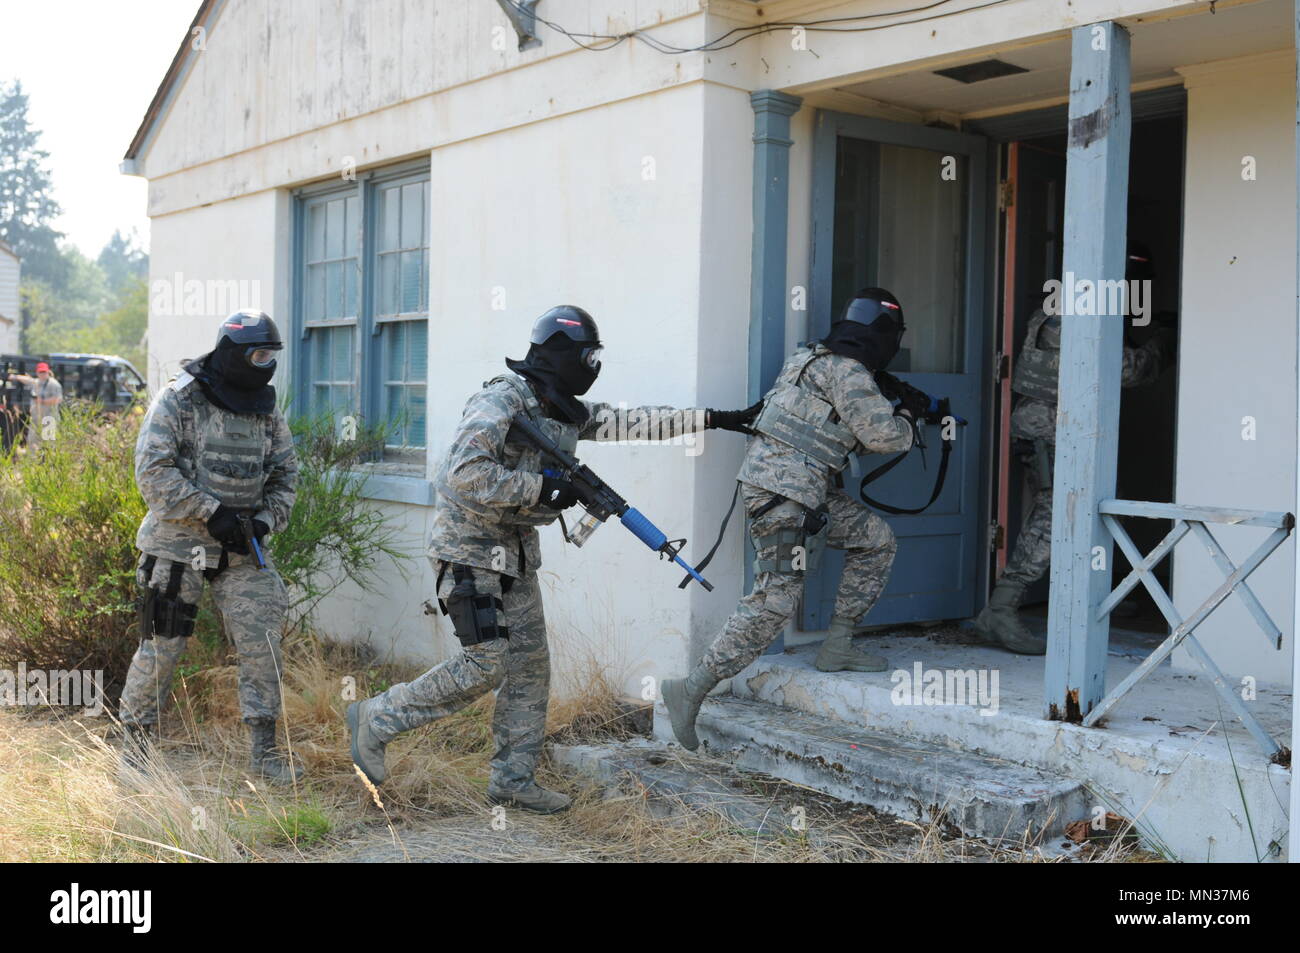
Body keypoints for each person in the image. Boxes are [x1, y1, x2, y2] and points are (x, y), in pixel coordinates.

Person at [347, 305, 759, 812]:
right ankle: (376, 718)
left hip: (516, 555)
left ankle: (512, 781)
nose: (593, 365)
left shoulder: (560, 408)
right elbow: (460, 473)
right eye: (588, 355)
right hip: (468, 552)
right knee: (485, 665)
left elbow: (632, 421)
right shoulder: (501, 399)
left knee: (530, 670)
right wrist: (543, 486)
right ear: (562, 354)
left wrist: (718, 419)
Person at [661, 287, 922, 751]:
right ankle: (692, 688)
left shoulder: (808, 359)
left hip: (802, 492)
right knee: (775, 598)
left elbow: (829, 429)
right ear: (883, 335)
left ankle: (837, 644)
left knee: (875, 538)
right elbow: (885, 437)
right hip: (783, 495)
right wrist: (905, 414)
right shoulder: (850, 372)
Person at [119, 310, 302, 783]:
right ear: (232, 353)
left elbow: (286, 474)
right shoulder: (180, 399)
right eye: (257, 355)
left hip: (243, 552)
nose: (265, 364)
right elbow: (153, 472)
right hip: (178, 548)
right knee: (162, 646)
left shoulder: (264, 406)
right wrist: (209, 512)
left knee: (263, 647)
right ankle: (136, 753)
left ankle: (264, 754)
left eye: (271, 356)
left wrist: (264, 521)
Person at [972, 243, 1175, 654]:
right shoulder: (1086, 313)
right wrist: (1163, 342)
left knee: (1084, 511)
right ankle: (1002, 606)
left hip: (1050, 422)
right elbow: (1131, 371)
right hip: (1054, 426)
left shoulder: (1065, 300)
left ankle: (1093, 596)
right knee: (1055, 515)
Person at [7, 362, 63, 448]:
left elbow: (58, 399)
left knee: (48, 443)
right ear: (37, 373)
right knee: (32, 441)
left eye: (44, 372)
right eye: (40, 372)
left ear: (48, 372)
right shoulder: (36, 382)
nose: (42, 374)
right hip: (36, 419)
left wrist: (42, 401)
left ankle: (47, 460)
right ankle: (33, 460)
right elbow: (26, 379)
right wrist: (12, 377)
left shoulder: (54, 384)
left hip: (49, 419)